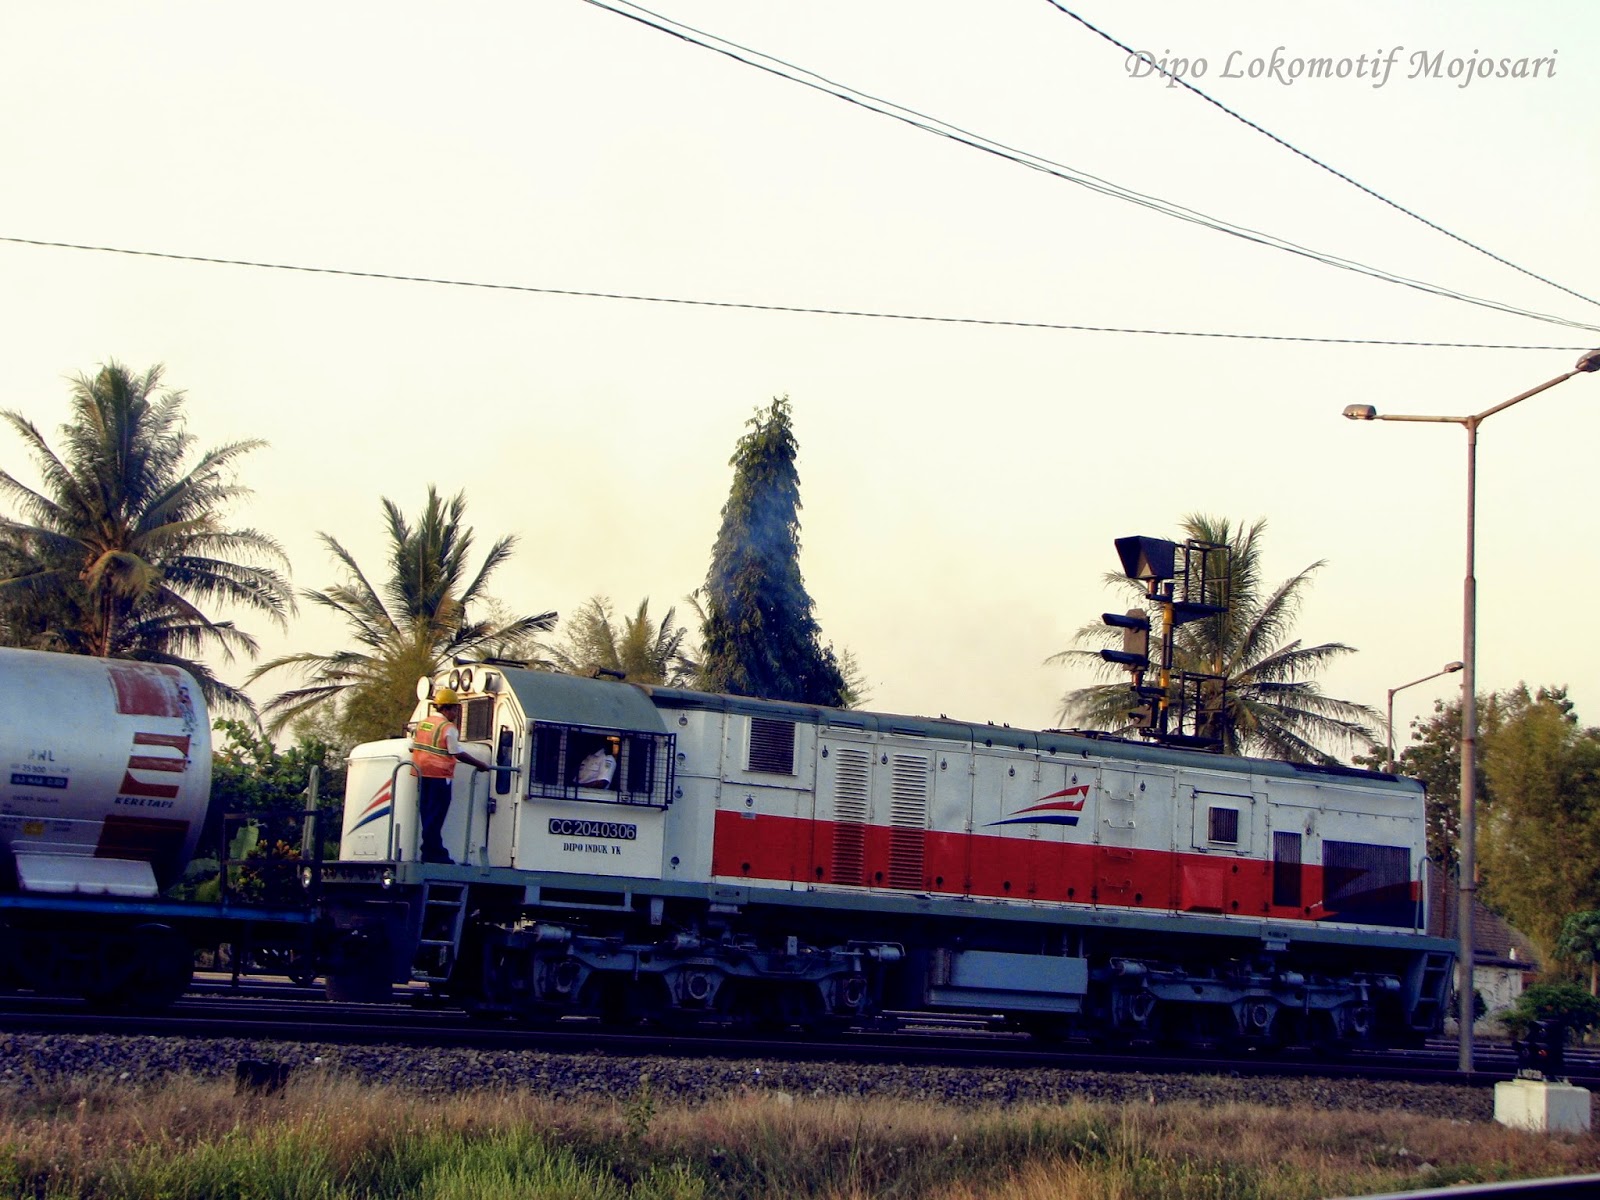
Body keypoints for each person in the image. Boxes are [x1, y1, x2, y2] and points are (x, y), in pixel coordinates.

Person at [409, 687, 491, 864]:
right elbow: (457, 752)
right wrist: (481, 764)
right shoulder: (448, 728)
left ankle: (431, 851)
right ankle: (434, 853)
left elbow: (414, 746)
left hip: (422, 774)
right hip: (440, 776)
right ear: (446, 708)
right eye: (455, 709)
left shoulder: (424, 723)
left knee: (427, 814)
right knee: (436, 816)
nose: (456, 713)